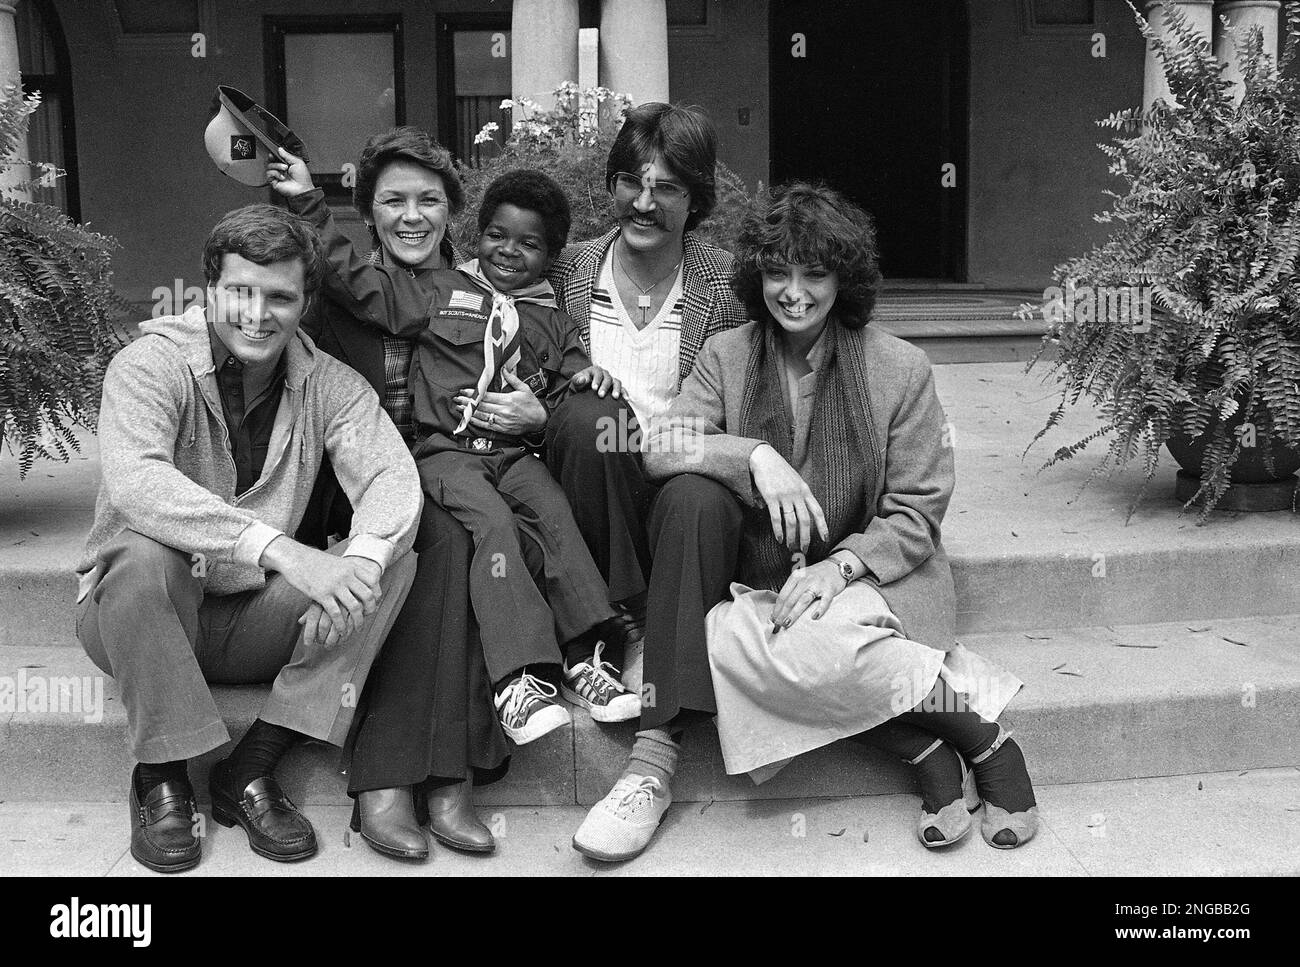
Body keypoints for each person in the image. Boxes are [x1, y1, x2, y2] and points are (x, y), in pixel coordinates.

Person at [571, 182, 1039, 862]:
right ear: (756, 274)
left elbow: (916, 511)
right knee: (718, 629)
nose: (794, 292)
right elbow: (658, 445)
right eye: (778, 272)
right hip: (763, 584)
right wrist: (753, 455)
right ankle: (922, 739)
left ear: (843, 278)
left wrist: (838, 567)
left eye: (814, 273)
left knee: (821, 642)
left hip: (870, 578)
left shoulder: (900, 368)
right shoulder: (729, 355)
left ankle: (981, 737)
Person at [269, 134, 632, 861]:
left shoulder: (474, 292)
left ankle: (468, 751)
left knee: (490, 527)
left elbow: (555, 364)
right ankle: (400, 772)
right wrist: (306, 198)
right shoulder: (350, 288)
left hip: (472, 467)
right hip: (367, 486)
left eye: (429, 200)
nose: (412, 216)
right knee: (449, 539)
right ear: (366, 212)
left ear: (451, 212)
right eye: (393, 201)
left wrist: (546, 408)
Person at [75, 203, 421, 873]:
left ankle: (252, 764)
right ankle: (162, 774)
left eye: (280, 296)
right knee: (142, 552)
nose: (257, 314)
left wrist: (357, 564)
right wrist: (287, 552)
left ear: (306, 301)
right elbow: (137, 484)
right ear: (210, 289)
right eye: (240, 291)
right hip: (138, 610)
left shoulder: (329, 385)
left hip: (248, 619)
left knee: (390, 559)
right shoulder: (150, 365)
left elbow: (390, 480)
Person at [328, 166, 642, 734]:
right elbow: (359, 284)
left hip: (516, 456)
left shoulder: (554, 322)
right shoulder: (441, 292)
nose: (509, 251)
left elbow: (576, 383)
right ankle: (518, 681)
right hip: (448, 454)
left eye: (530, 243)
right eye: (498, 235)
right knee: (495, 529)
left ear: (552, 255)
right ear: (477, 234)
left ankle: (585, 658)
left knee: (556, 521)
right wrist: (307, 204)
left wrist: (598, 381)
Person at [546, 102, 748, 682]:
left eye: (667, 189)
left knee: (700, 498)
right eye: (631, 182)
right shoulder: (568, 273)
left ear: (696, 198)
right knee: (592, 420)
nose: (643, 203)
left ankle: (654, 657)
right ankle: (619, 624)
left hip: (677, 476)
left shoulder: (727, 285)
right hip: (586, 477)